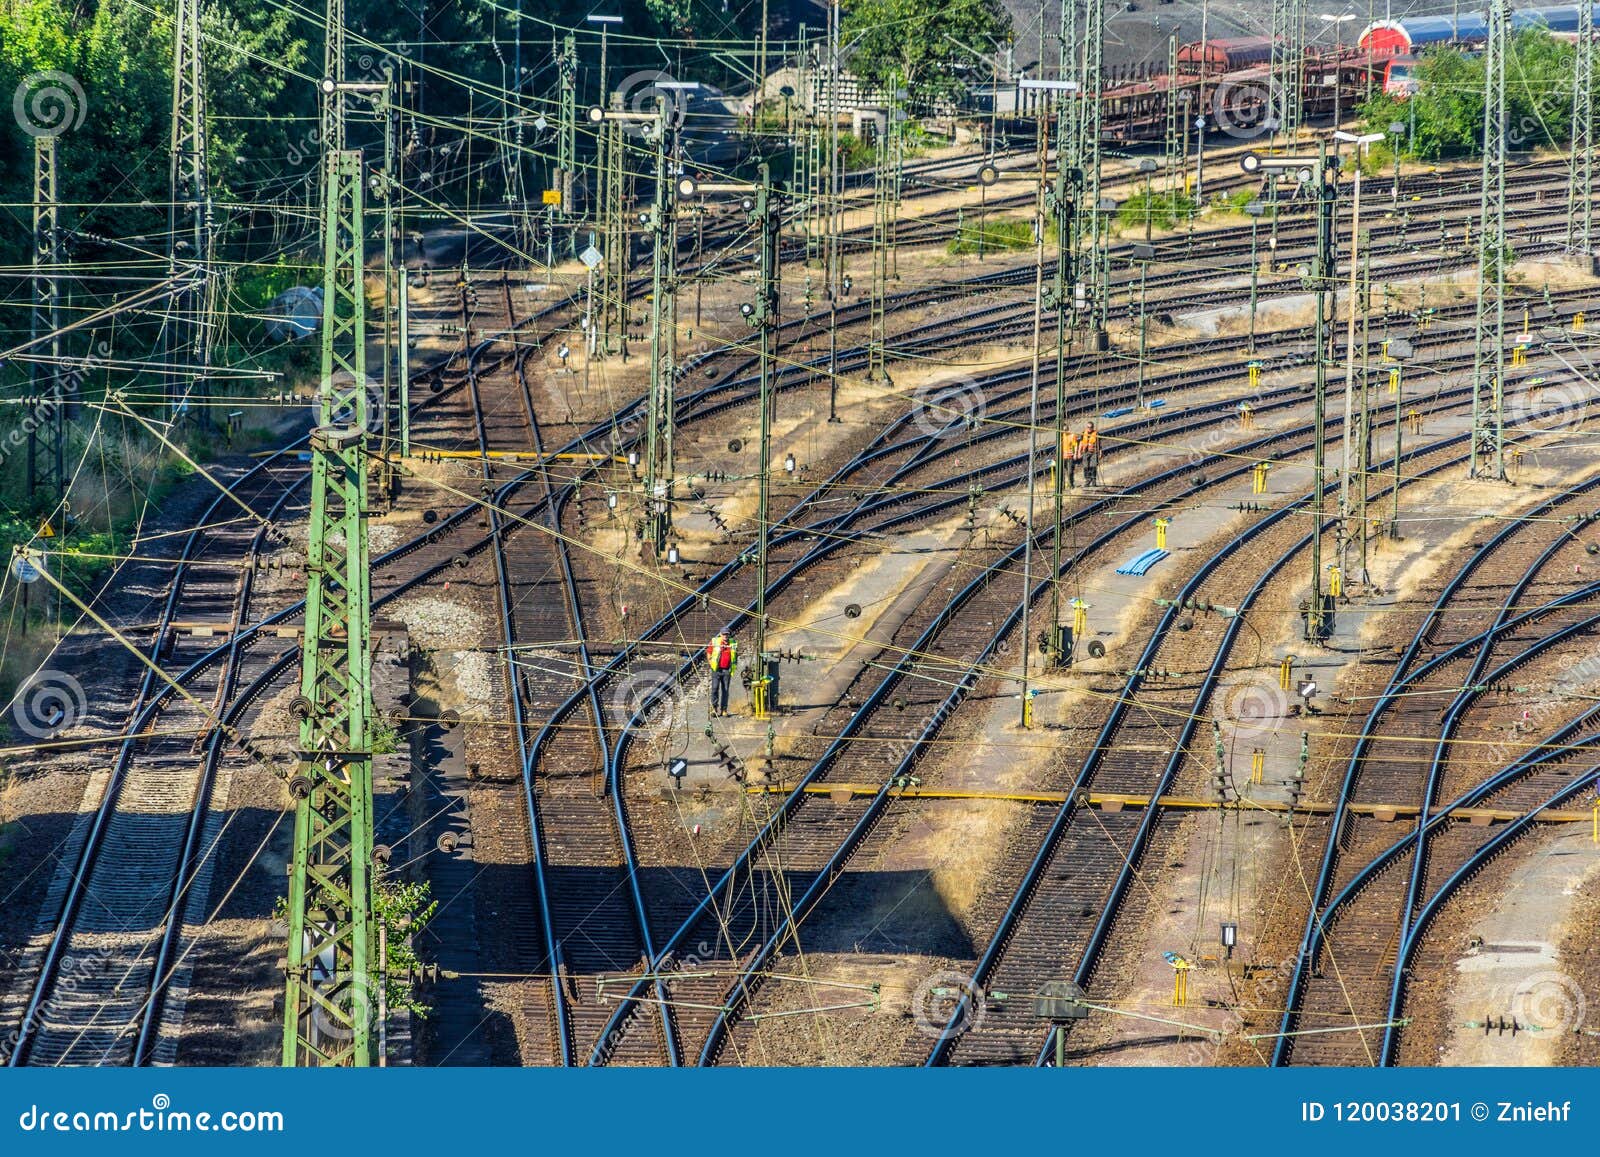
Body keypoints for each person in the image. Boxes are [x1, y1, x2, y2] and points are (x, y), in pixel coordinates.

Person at [707, 632, 738, 717]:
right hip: (716, 670)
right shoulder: (715, 642)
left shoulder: (733, 643)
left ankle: (724, 710)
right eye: (724, 634)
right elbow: (709, 652)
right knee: (714, 688)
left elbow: (735, 655)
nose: (725, 636)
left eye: (727, 634)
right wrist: (710, 663)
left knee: (725, 690)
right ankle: (714, 709)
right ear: (720, 634)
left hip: (727, 670)